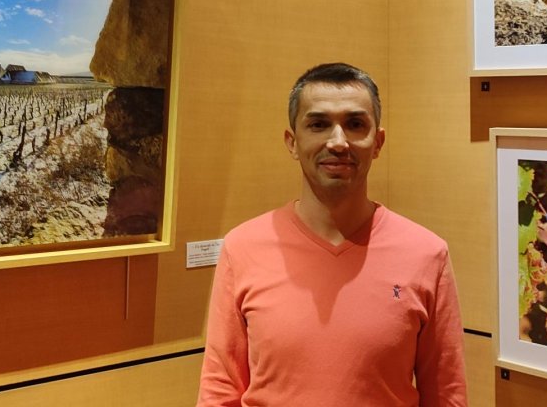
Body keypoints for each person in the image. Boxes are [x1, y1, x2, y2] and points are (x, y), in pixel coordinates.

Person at [198, 62, 467, 406]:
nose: (338, 142)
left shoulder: (427, 254)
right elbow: (219, 392)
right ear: (292, 142)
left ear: (378, 142)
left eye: (355, 125)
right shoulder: (242, 248)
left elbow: (447, 395)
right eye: (318, 125)